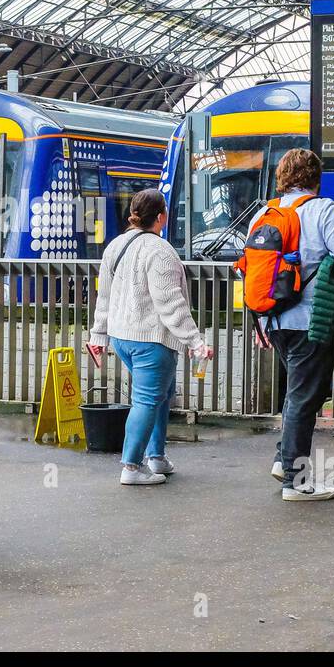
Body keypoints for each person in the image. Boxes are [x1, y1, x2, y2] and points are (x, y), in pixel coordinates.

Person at [255, 148, 334, 501]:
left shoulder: (266, 212)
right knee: (305, 397)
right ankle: (296, 481)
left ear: (282, 178)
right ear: (317, 178)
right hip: (310, 320)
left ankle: (282, 459)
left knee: (299, 393)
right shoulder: (323, 210)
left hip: (273, 319)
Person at [89, 189, 212, 486]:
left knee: (161, 396)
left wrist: (99, 335)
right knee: (146, 400)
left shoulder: (115, 246)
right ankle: (131, 466)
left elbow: (103, 296)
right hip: (151, 340)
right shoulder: (161, 251)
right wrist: (196, 342)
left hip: (122, 337)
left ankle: (156, 457)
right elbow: (170, 303)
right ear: (161, 217)